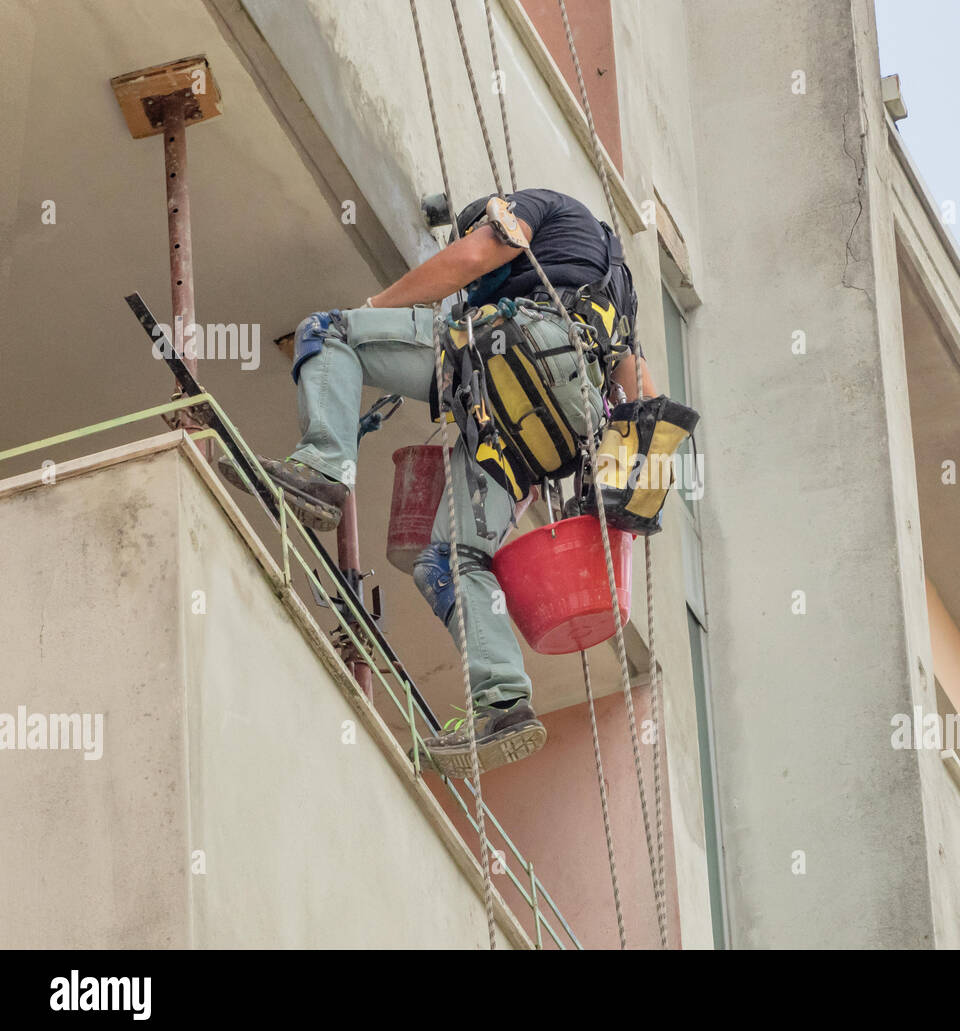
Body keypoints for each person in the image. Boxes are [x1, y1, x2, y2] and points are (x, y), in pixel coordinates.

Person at [220, 188, 698, 777]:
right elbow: (641, 390)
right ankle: (502, 704)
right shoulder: (611, 289)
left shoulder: (542, 206)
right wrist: (621, 488)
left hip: (516, 354)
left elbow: (475, 256)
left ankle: (321, 472)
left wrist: (374, 308)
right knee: (448, 561)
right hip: (549, 427)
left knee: (329, 331)